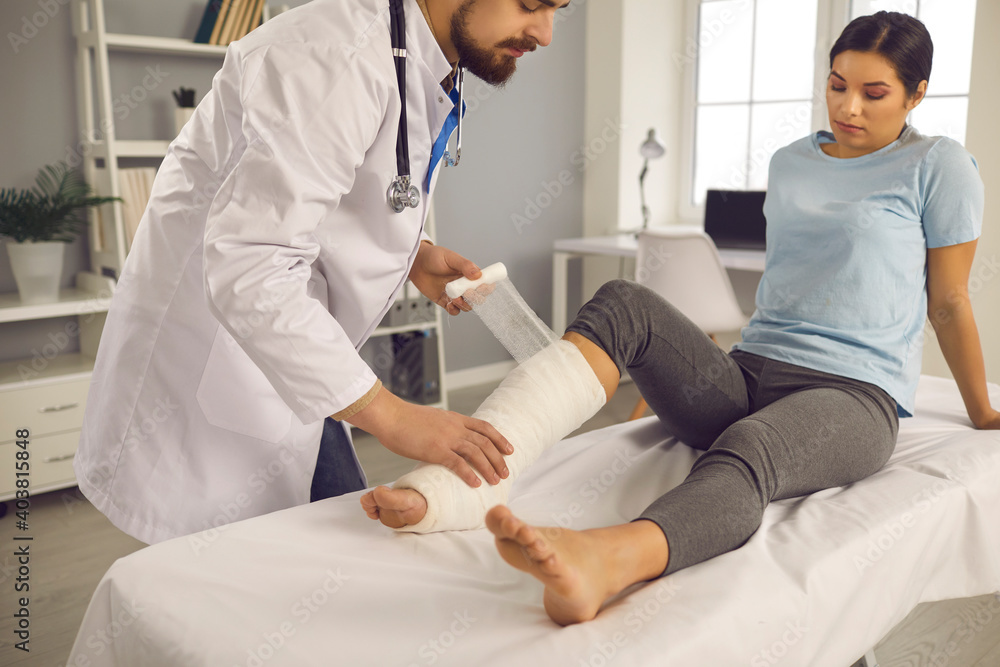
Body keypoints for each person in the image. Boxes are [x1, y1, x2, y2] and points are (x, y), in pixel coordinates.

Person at [361, 11, 1000, 625]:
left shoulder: (939, 166)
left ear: (916, 96)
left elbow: (947, 301)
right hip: (748, 376)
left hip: (853, 396)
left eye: (873, 93)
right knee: (622, 301)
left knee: (747, 446)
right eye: (837, 86)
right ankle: (468, 479)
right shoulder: (791, 162)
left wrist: (983, 413)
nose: (847, 107)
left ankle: (604, 562)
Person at [74, 0, 571, 545]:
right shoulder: (335, 57)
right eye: (532, 3)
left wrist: (416, 253)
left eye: (558, 10)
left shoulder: (417, 57)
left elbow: (343, 189)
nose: (545, 34)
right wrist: (394, 416)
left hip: (295, 362)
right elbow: (251, 267)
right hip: (209, 363)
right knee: (251, 576)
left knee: (338, 551)